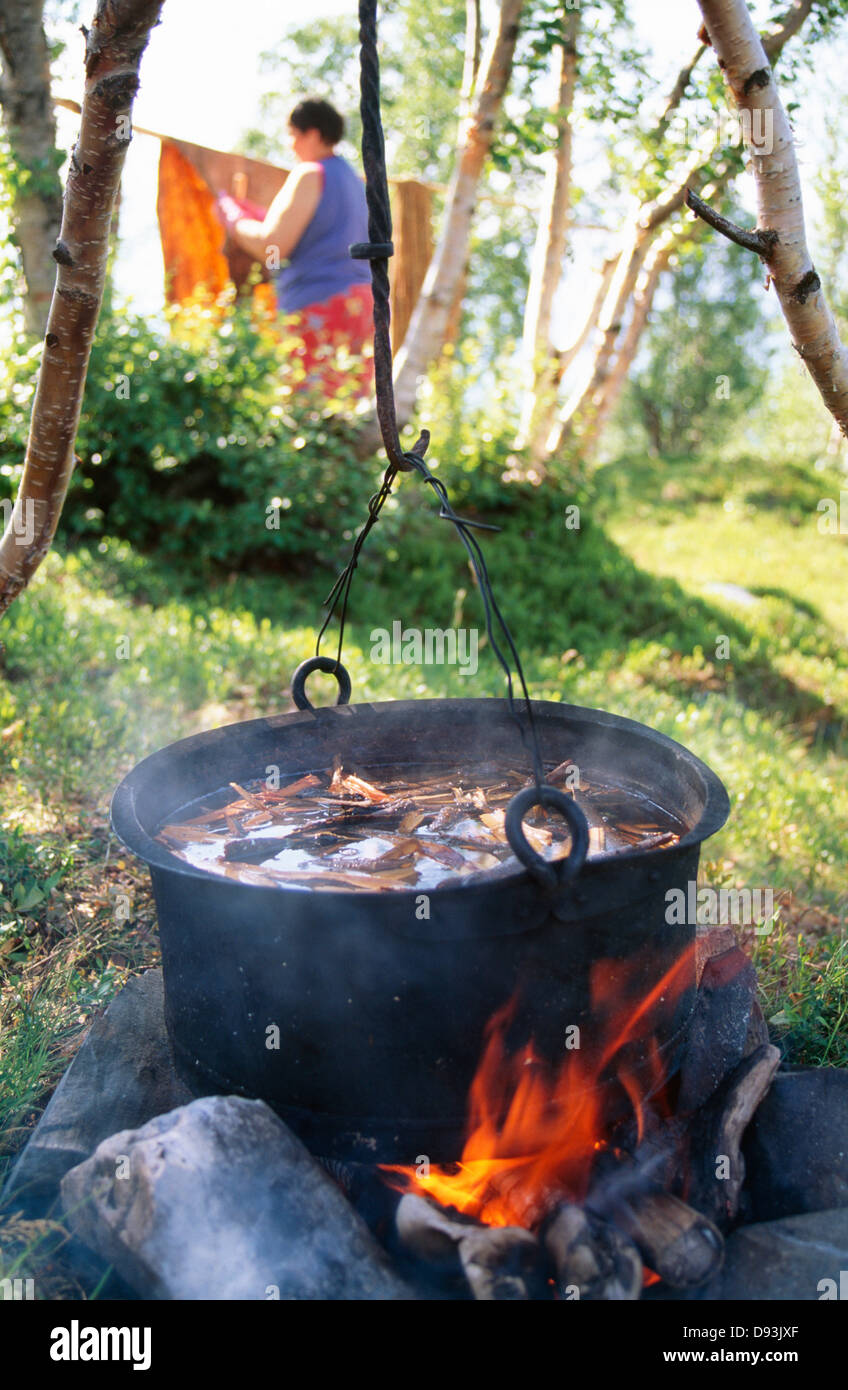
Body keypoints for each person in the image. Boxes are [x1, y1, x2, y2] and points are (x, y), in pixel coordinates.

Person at [217, 98, 374, 397]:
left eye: (293, 135)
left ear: (312, 134)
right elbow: (317, 232)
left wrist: (232, 218)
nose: (290, 145)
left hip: (321, 303)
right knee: (346, 415)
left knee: (308, 413)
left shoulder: (311, 173)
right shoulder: (352, 180)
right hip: (363, 305)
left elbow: (273, 246)